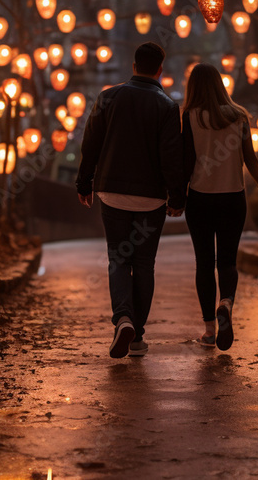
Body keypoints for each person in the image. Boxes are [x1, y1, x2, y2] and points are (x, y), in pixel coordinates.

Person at [76, 42, 186, 359]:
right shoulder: (167, 107)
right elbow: (171, 157)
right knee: (144, 265)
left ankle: (122, 318)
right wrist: (177, 195)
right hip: (151, 200)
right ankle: (137, 336)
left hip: (112, 193)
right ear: (159, 70)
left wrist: (84, 182)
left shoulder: (108, 97)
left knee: (118, 260)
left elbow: (90, 144)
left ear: (134, 65)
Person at [181, 63, 258, 351]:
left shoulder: (189, 117)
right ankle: (226, 302)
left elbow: (187, 162)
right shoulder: (239, 117)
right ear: (219, 85)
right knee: (227, 261)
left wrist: (176, 196)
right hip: (233, 198)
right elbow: (251, 159)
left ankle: (210, 331)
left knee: (204, 263)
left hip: (200, 199)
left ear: (194, 87)